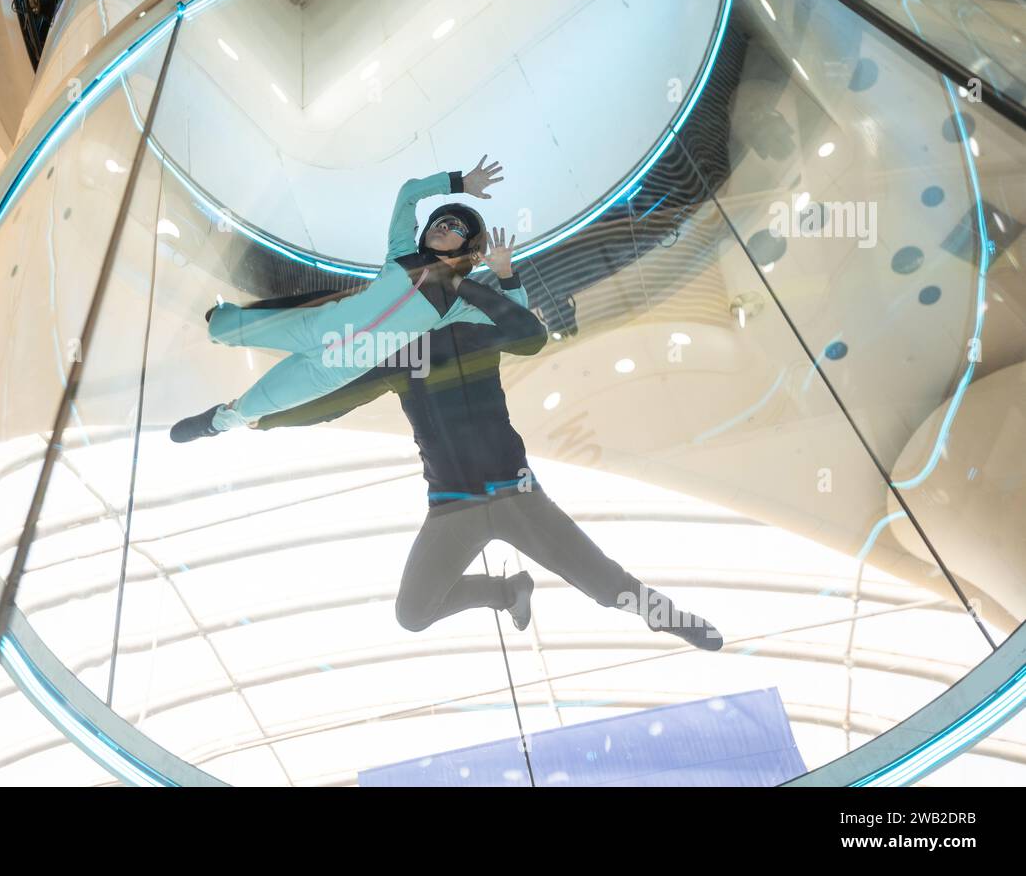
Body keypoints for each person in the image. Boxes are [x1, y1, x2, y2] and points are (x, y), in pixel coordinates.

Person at [254, 231, 724, 651]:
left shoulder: (474, 330)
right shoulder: (397, 351)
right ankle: (505, 592)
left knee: (602, 583)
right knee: (412, 613)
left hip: (515, 496)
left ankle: (670, 618)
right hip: (452, 507)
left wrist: (493, 278)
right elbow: (338, 397)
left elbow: (529, 334)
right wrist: (272, 418)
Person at [170, 156, 507, 441]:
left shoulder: (455, 304)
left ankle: (217, 421)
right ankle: (221, 320)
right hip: (312, 327)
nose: (444, 227)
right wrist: (459, 182)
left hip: (331, 373)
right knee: (221, 326)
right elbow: (410, 194)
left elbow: (511, 316)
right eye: (442, 221)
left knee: (253, 408)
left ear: (469, 247)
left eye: (456, 228)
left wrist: (508, 276)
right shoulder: (402, 254)